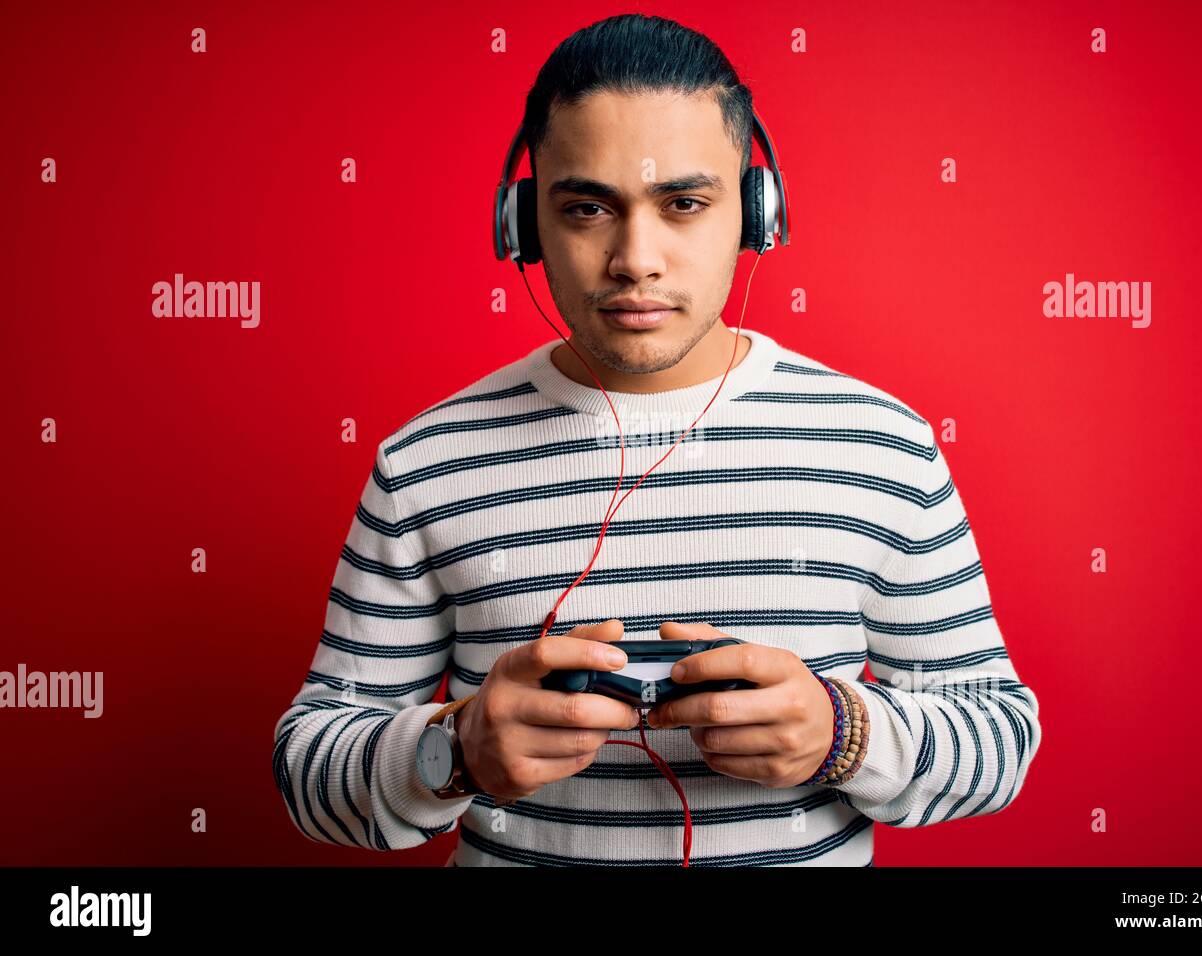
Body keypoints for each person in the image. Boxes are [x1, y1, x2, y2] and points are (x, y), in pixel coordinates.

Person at [273, 13, 1041, 866]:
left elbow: (1000, 737)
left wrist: (844, 733)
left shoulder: (883, 445)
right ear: (523, 225)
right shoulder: (423, 461)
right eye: (588, 207)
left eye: (683, 203)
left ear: (756, 212)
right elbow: (307, 768)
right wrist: (452, 754)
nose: (636, 259)